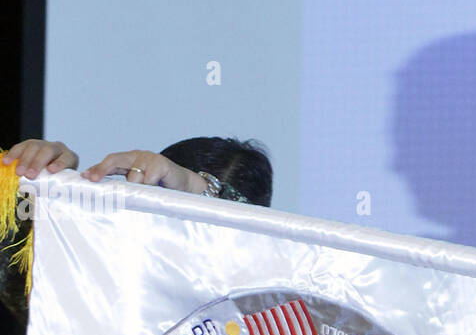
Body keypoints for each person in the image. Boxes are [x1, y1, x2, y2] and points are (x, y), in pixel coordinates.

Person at [1, 136, 274, 322]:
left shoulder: (282, 324)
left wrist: (198, 190)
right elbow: (22, 281)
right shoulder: (101, 293)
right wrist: (41, 191)